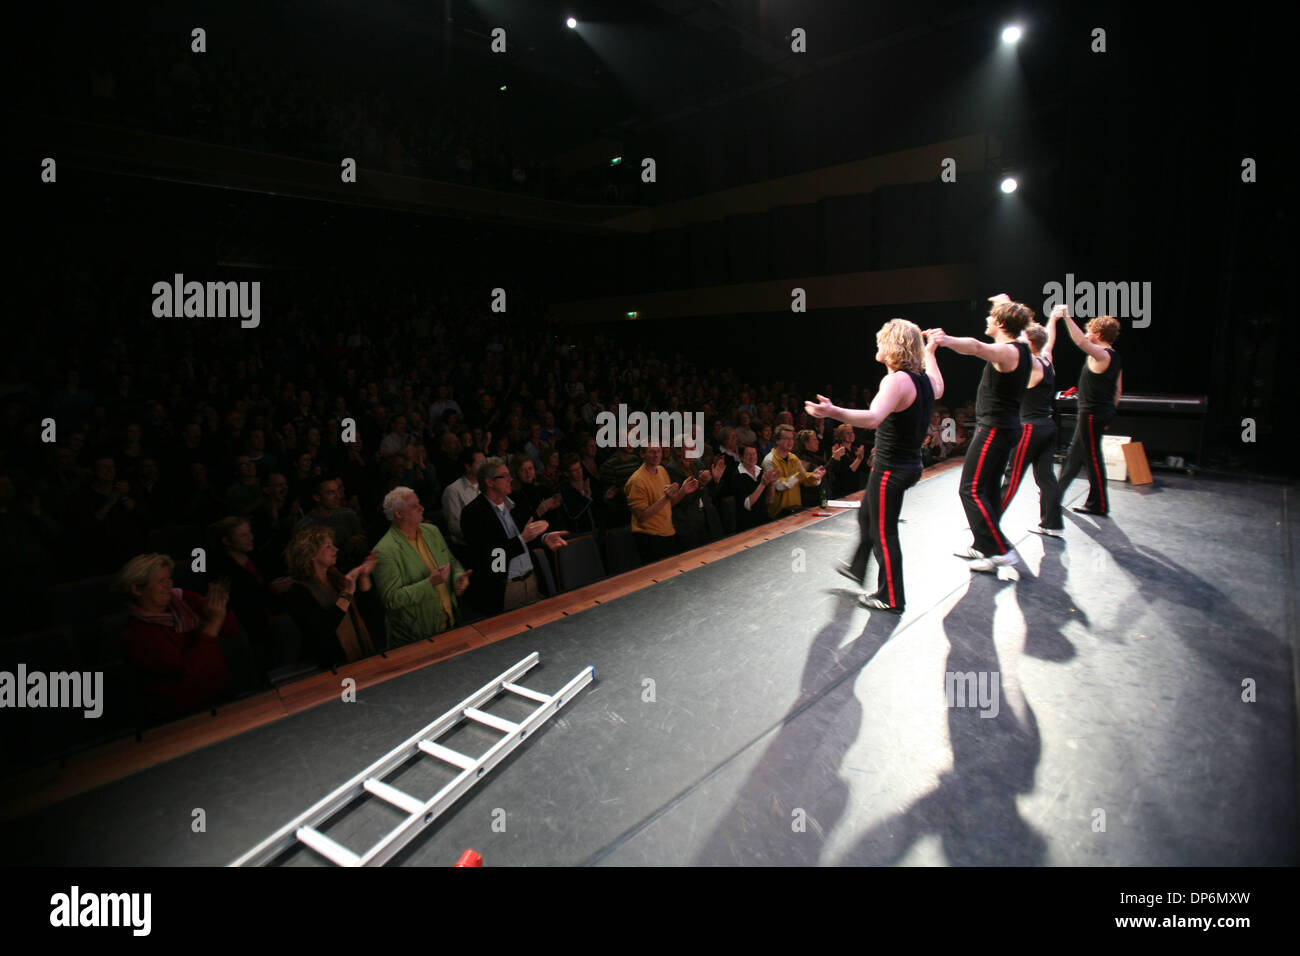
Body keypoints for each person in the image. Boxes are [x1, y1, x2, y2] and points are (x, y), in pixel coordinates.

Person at [806, 319, 943, 611]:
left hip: (891, 469)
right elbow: (940, 387)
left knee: (884, 532)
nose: (877, 345)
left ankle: (891, 597)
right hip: (908, 466)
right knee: (867, 517)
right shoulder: (923, 379)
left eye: (881, 341)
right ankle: (858, 567)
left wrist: (832, 411)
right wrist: (931, 352)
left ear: (893, 345)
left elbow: (872, 418)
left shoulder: (896, 380)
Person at [926, 296, 1034, 573]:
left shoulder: (1009, 351)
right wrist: (1006, 301)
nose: (986, 319)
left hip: (995, 429)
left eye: (990, 316)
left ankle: (1000, 549)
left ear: (999, 322)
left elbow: (975, 346)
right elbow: (1018, 322)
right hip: (1005, 427)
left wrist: (946, 340)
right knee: (987, 490)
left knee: (969, 489)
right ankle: (984, 545)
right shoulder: (1021, 345)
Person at [116, 553, 253, 720]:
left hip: (220, 693)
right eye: (161, 581)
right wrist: (212, 624)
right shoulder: (136, 635)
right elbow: (190, 679)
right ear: (137, 589)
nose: (169, 586)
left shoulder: (182, 601)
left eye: (169, 579)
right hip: (182, 713)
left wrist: (221, 605)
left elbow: (230, 630)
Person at [460, 457, 568, 613]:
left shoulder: (516, 501)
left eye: (510, 474)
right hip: (505, 588)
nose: (511, 479)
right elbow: (491, 558)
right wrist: (522, 539)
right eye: (504, 476)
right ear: (490, 482)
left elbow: (527, 536)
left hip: (530, 579)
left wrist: (544, 539)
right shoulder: (474, 513)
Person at [371, 486, 471, 644]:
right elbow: (391, 599)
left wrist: (458, 577)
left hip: (451, 623)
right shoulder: (384, 551)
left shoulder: (432, 531)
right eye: (414, 506)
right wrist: (430, 583)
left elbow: (451, 561)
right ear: (398, 513)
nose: (422, 508)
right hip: (417, 636)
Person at [1056, 308, 1123, 516]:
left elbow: (1081, 343)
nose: (1086, 334)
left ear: (1099, 335)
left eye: (1089, 331)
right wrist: (1110, 412)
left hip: (1092, 413)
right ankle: (1055, 494)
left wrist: (1066, 316)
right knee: (1075, 455)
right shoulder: (1115, 357)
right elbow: (1118, 390)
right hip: (1098, 412)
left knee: (1092, 459)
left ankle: (1099, 504)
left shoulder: (1102, 354)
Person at [1000, 317, 1064, 535]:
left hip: (1030, 429)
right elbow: (1049, 342)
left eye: (1023, 338)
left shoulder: (1033, 364)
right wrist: (1054, 319)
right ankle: (1052, 525)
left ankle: (987, 526)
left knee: (1012, 478)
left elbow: (1019, 345)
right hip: (1047, 426)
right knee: (1046, 478)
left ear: (1029, 343)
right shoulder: (1047, 360)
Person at [283, 527, 379, 669]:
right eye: (328, 546)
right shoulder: (297, 592)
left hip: (359, 653)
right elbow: (323, 629)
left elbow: (369, 611)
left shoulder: (336, 579)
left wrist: (364, 577)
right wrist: (346, 594)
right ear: (310, 554)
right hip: (331, 665)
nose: (336, 549)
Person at [624, 443, 697, 564]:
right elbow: (642, 517)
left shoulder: (662, 470)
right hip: (649, 537)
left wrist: (683, 491)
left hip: (667, 532)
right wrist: (665, 498)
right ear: (642, 454)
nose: (656, 455)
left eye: (658, 451)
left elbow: (669, 503)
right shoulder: (636, 481)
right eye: (651, 452)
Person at [760, 425, 826, 518]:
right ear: (777, 441)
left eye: (791, 439)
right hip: (777, 514)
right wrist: (799, 476)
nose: (790, 442)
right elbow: (778, 485)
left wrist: (815, 476)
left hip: (795, 511)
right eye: (786, 439)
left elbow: (804, 478)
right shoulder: (769, 460)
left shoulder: (793, 458)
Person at [731, 444, 777, 532]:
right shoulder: (737, 476)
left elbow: (770, 500)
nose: (752, 457)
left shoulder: (760, 471)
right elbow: (747, 505)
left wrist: (772, 484)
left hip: (763, 519)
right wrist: (762, 484)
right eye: (748, 454)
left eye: (754, 454)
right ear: (741, 457)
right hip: (747, 523)